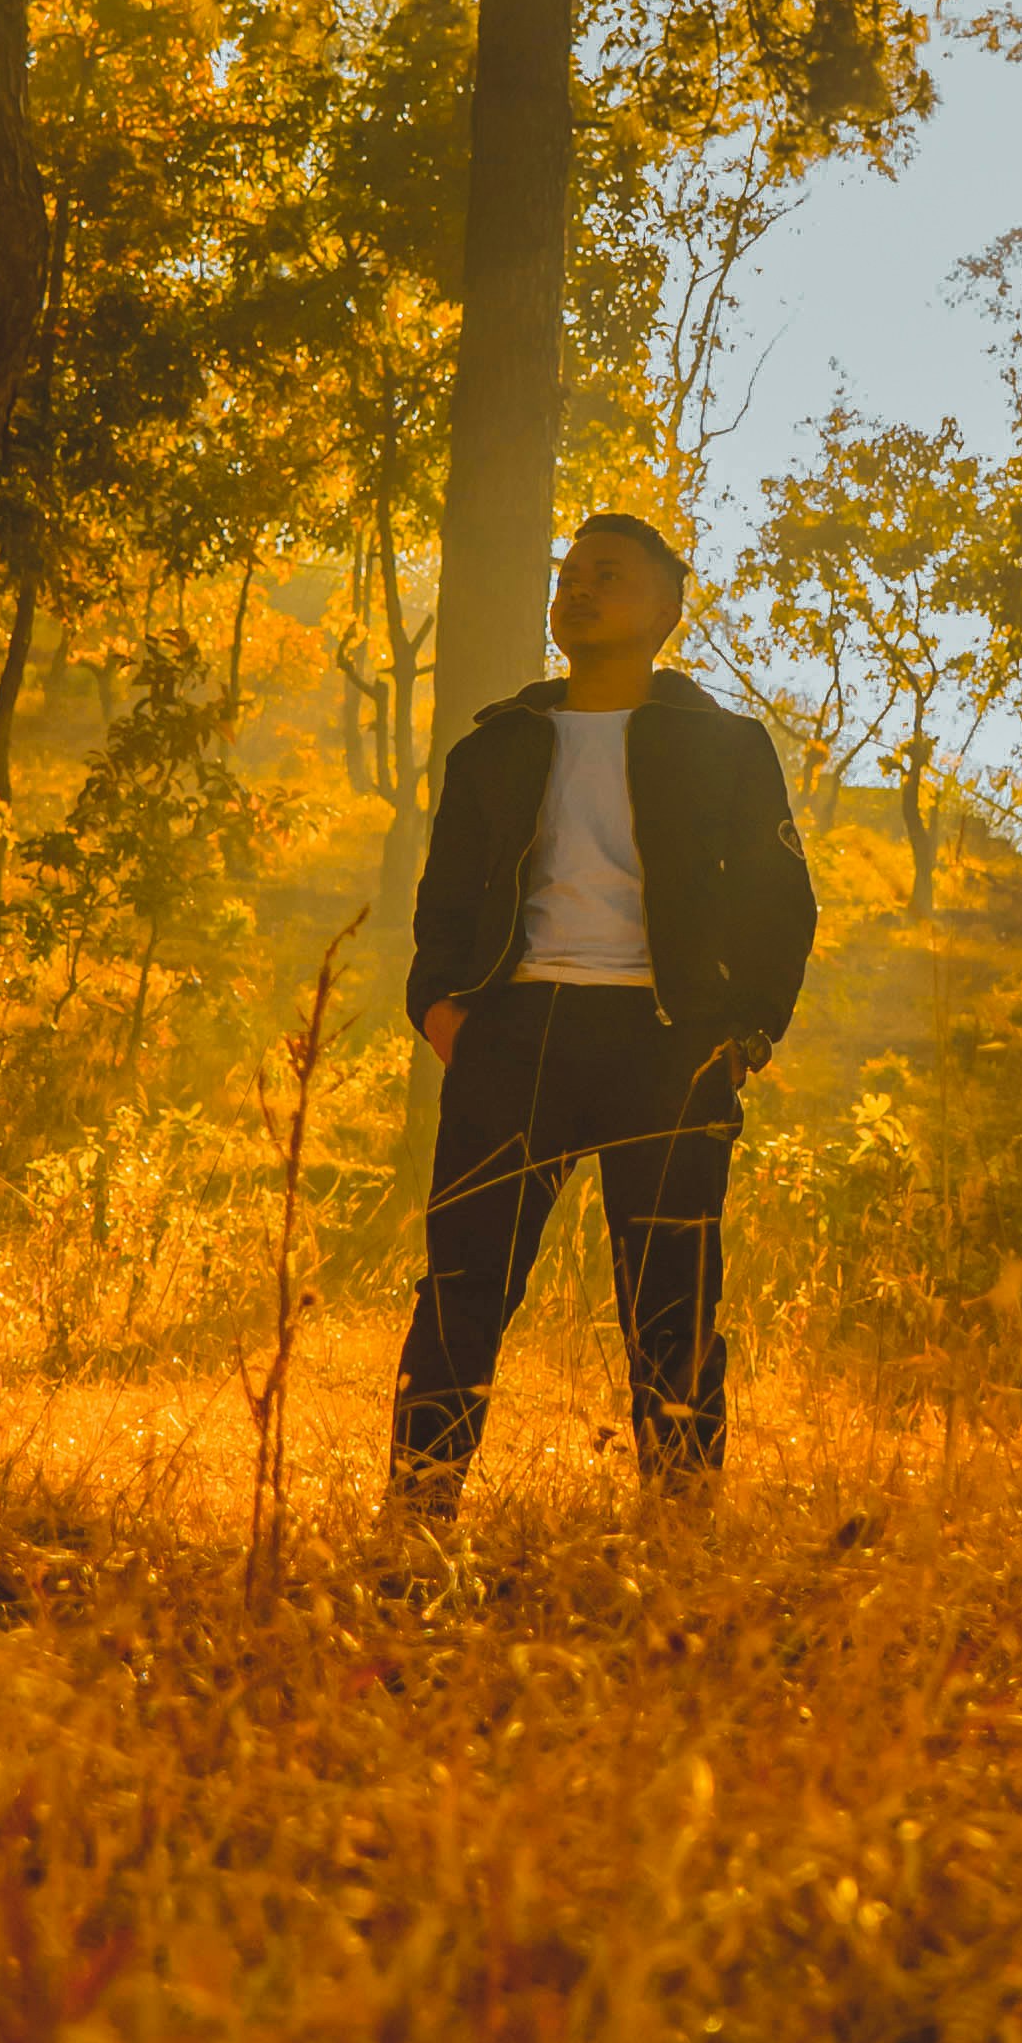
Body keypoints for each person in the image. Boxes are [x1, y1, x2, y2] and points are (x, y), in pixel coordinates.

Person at [391, 511, 818, 1509]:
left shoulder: (725, 746)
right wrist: (446, 1019)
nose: (578, 589)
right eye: (570, 574)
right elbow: (442, 906)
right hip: (515, 1037)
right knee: (462, 1292)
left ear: (668, 610)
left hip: (667, 1046)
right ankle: (416, 1517)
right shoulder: (496, 746)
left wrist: (744, 1034)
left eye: (610, 575)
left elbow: (780, 902)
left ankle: (681, 1531)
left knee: (676, 1304)